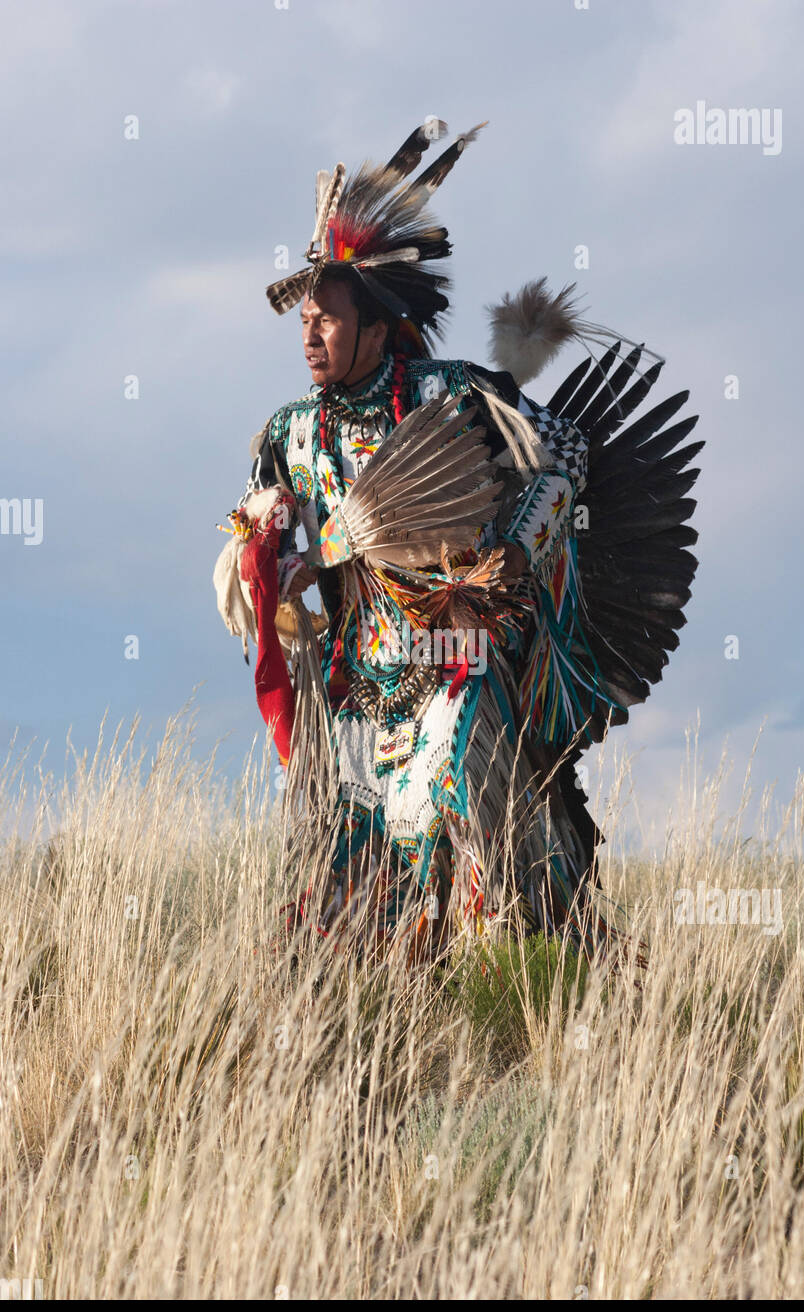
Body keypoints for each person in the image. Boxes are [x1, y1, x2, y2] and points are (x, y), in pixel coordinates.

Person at [215, 119, 702, 959]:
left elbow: (567, 455)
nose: (309, 332)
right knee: (347, 889)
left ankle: (521, 966)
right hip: (353, 693)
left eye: (327, 316)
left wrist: (513, 550)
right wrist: (268, 553)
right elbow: (260, 549)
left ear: (376, 324)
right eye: (304, 317)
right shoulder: (290, 437)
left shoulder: (450, 394)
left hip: (454, 664)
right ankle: (379, 1020)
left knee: (474, 802)